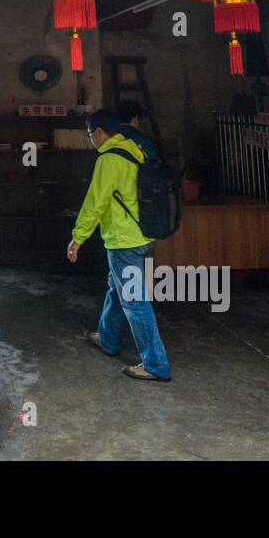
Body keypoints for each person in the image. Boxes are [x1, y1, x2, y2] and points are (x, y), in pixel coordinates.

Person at [67, 109, 172, 382]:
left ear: (99, 133)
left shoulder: (109, 160)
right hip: (142, 234)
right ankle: (109, 339)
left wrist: (78, 238)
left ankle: (155, 364)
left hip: (124, 240)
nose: (91, 140)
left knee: (134, 301)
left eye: (90, 135)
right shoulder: (135, 149)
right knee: (118, 288)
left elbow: (95, 203)